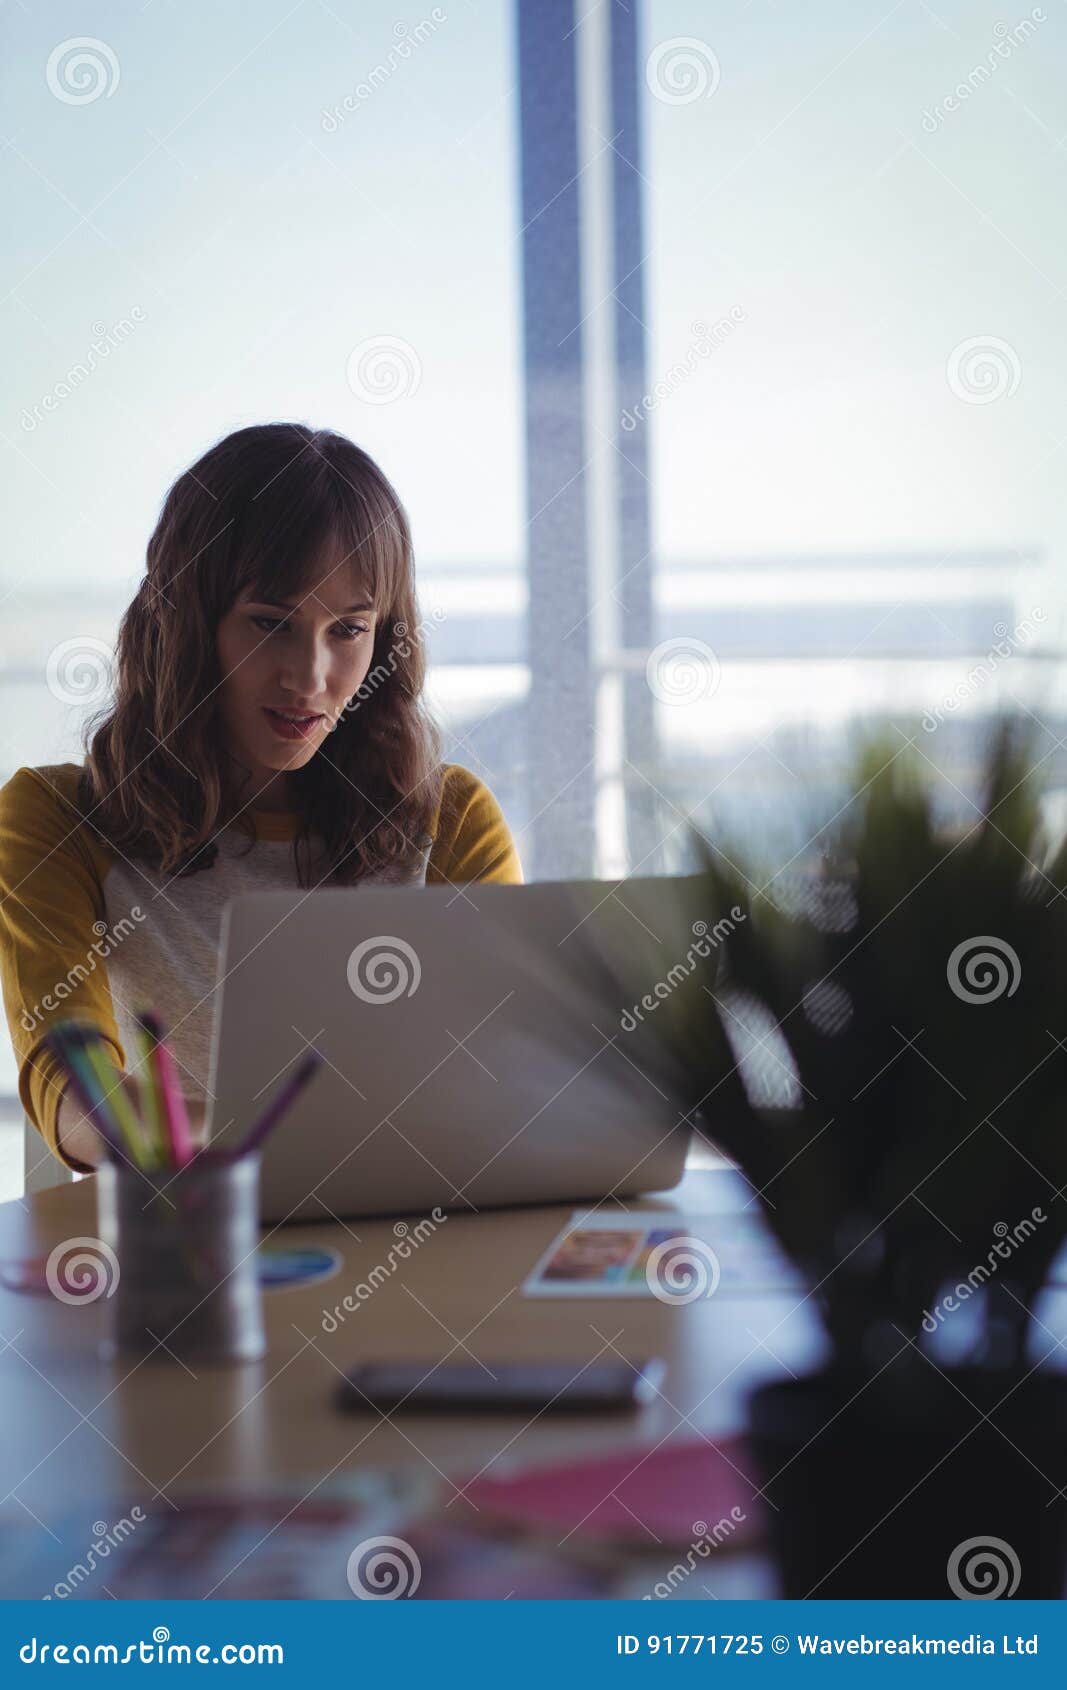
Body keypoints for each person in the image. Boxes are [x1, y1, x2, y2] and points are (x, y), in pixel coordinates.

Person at [0, 423, 522, 1174]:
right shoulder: (54, 820)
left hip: (409, 1246)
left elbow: (498, 1086)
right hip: (182, 1254)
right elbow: (74, 1093)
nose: (309, 677)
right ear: (187, 625)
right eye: (270, 624)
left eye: (348, 629)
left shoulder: (451, 821)